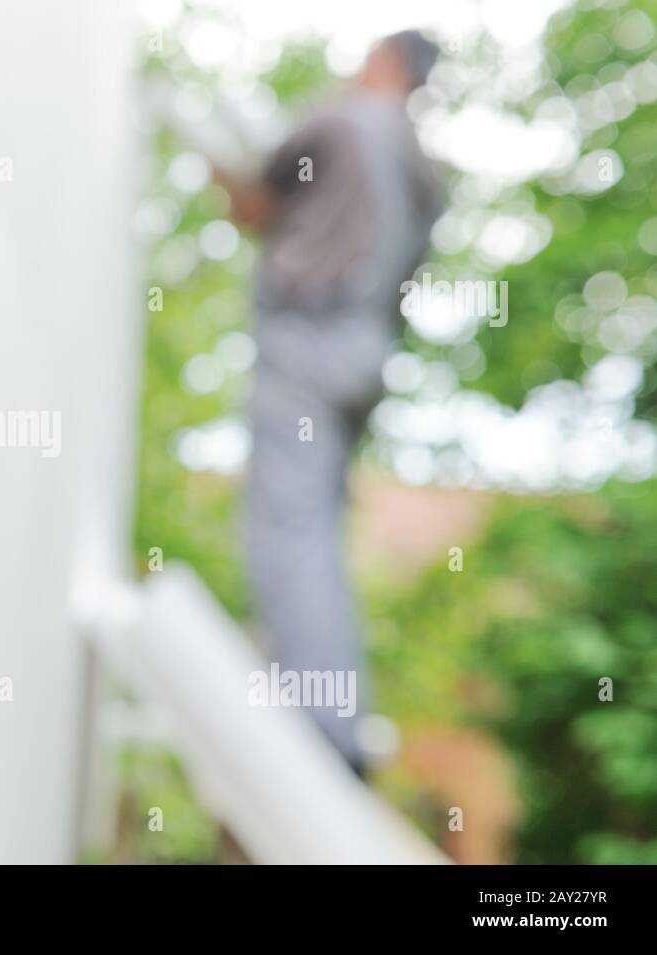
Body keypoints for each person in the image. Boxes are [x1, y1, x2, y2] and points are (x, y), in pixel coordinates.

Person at [219, 32, 445, 773]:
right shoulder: (423, 167)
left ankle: (323, 732)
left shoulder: (342, 121)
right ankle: (340, 716)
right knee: (317, 530)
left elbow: (254, 200)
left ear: (385, 64)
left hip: (308, 339)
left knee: (288, 532)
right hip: (365, 353)